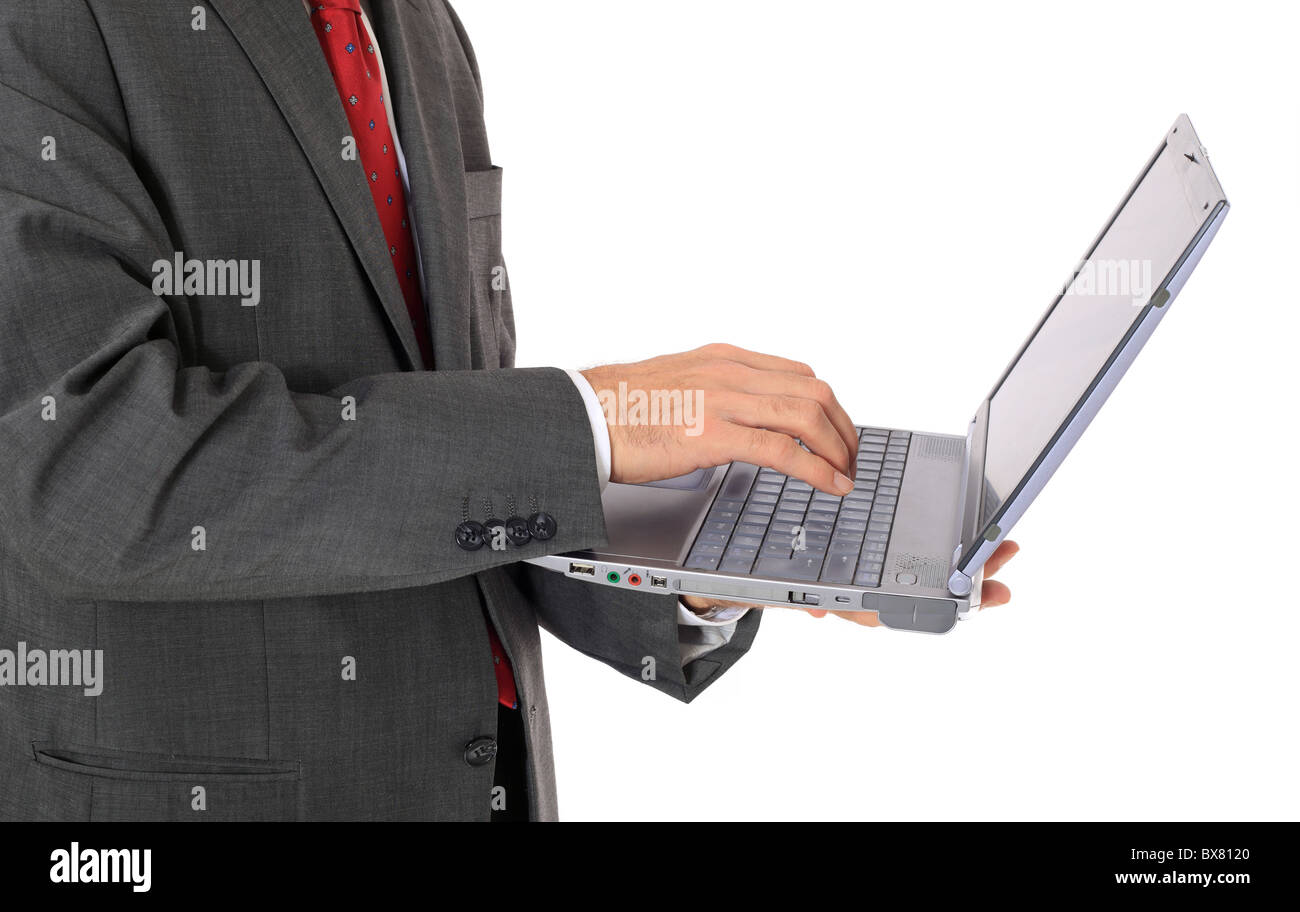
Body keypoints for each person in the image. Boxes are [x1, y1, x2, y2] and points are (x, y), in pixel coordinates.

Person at [0, 0, 1016, 821]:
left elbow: (461, 466)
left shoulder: (418, 30)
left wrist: (713, 550)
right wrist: (591, 422)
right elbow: (86, 473)